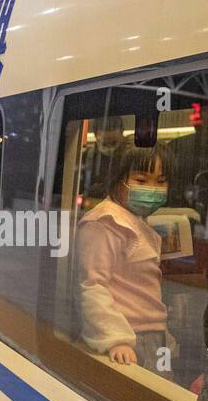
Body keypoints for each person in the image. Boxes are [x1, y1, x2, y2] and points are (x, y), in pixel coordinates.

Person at [75, 142, 174, 373]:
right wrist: (115, 339)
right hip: (129, 337)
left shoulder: (135, 219)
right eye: (141, 180)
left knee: (163, 391)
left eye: (161, 181)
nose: (153, 189)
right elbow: (92, 285)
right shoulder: (105, 222)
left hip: (155, 336)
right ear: (118, 179)